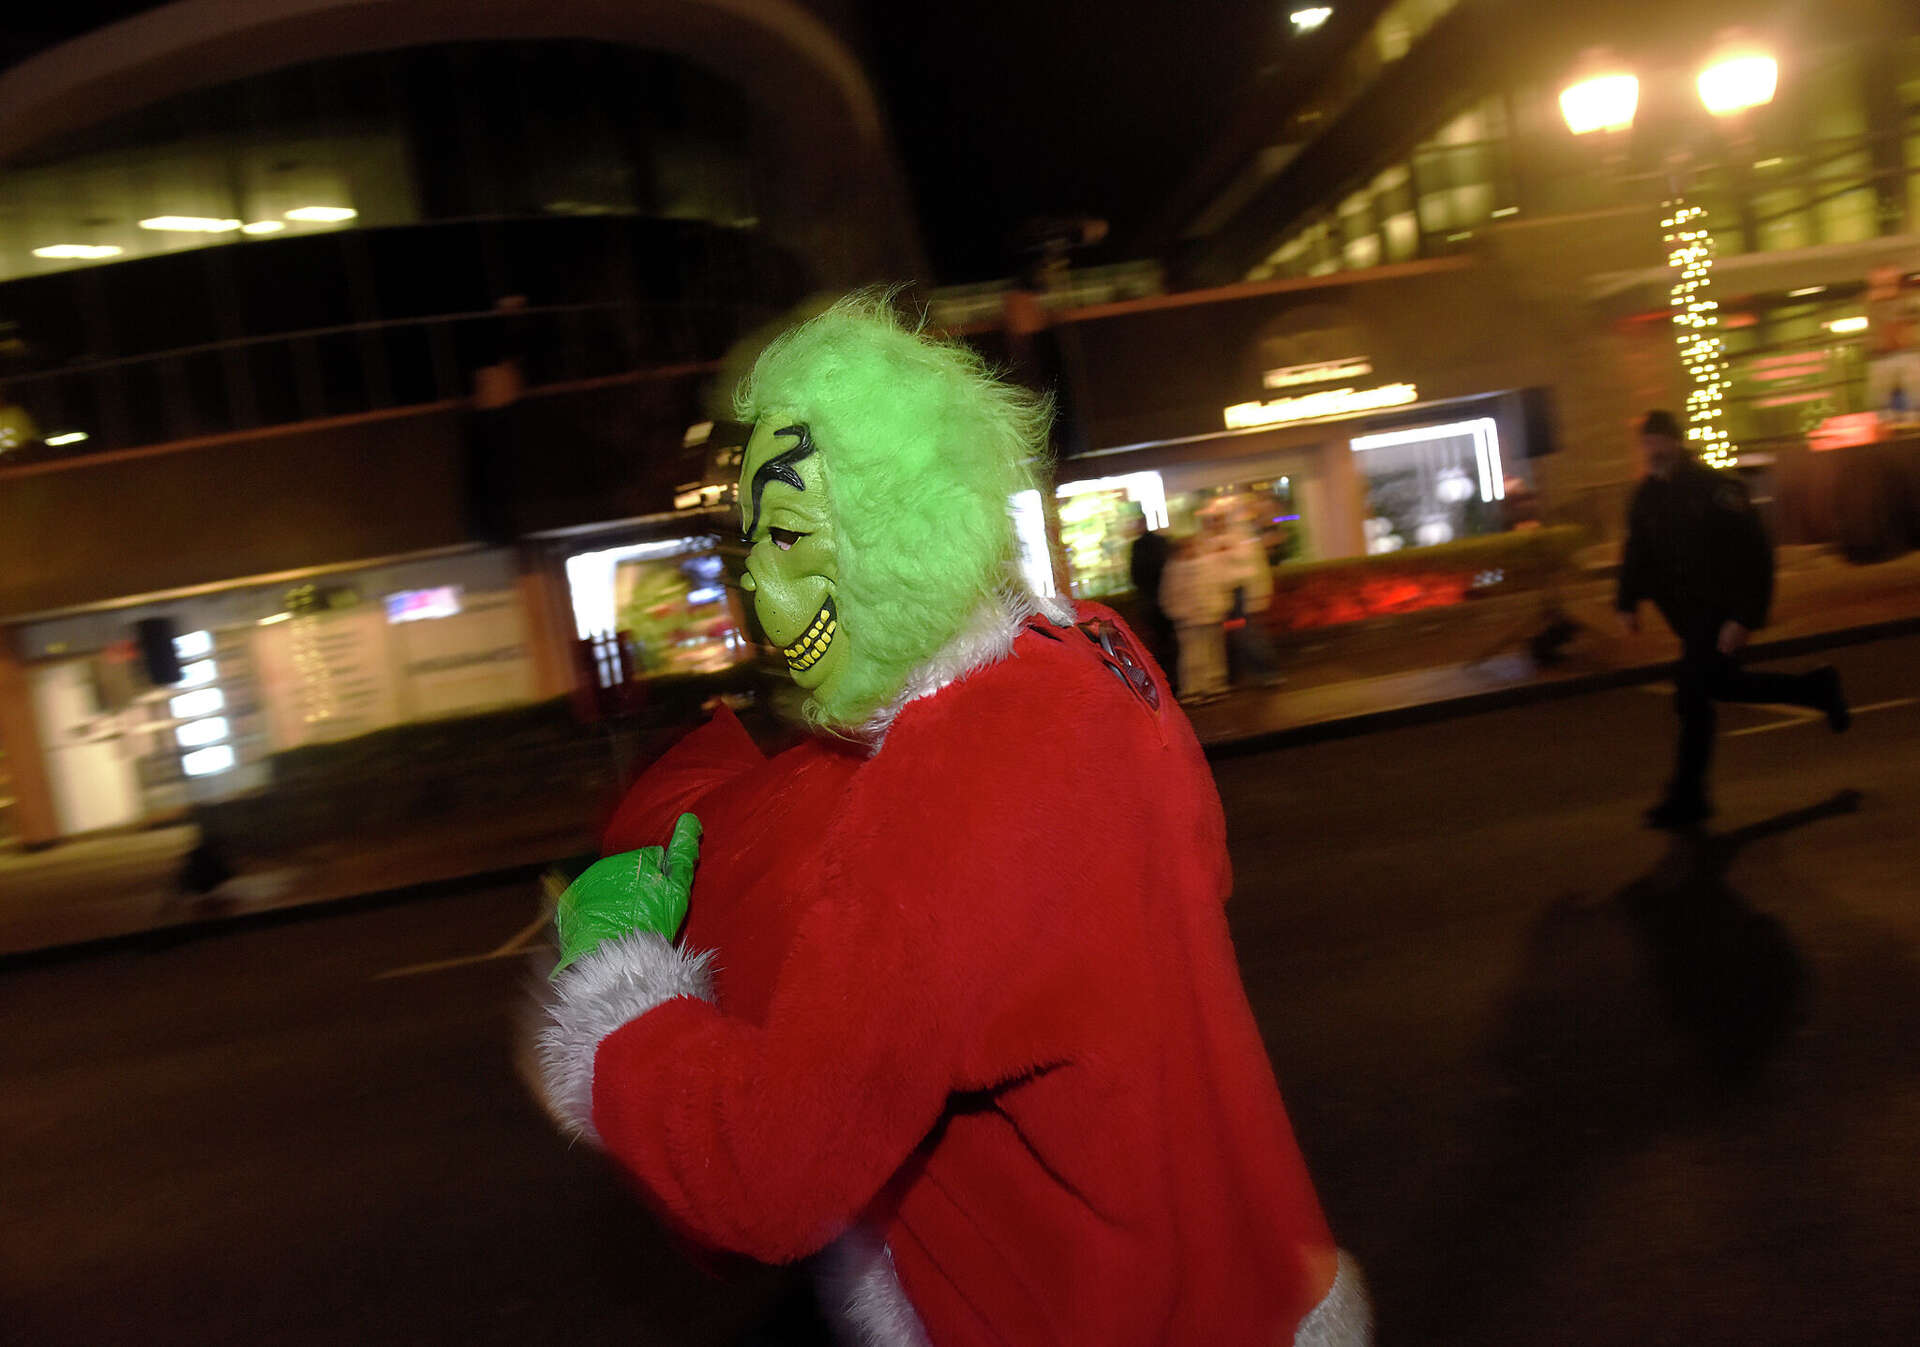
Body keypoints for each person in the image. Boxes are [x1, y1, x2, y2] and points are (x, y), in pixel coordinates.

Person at [529, 296, 1366, 1346]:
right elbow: (1191, 880)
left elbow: (772, 1171)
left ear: (896, 537)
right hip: (1255, 1277)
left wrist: (620, 1001)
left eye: (789, 537)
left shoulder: (937, 798)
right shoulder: (1099, 653)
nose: (754, 587)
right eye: (750, 544)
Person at [1616, 409, 1850, 829]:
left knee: (1692, 693)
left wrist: (1744, 617)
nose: (1651, 451)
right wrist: (1626, 601)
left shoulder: (1715, 489)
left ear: (1675, 442)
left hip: (1720, 610)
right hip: (1688, 617)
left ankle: (1687, 797)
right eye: (1646, 443)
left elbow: (1756, 555)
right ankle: (1818, 688)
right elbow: (1638, 551)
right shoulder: (1647, 497)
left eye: (1657, 442)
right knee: (1719, 685)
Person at [1159, 530, 1234, 703]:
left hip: (1203, 615)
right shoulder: (1180, 569)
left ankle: (1208, 685)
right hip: (1194, 617)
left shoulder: (1177, 569)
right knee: (1195, 654)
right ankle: (1199, 687)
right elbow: (1170, 595)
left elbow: (1220, 588)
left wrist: (1218, 606)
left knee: (1208, 652)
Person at [1125, 509, 1179, 691]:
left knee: (1157, 644)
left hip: (1150, 601)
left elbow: (1135, 576)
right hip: (1169, 597)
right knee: (1172, 641)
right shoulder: (1163, 543)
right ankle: (1176, 678)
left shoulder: (1138, 547)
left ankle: (1166, 681)